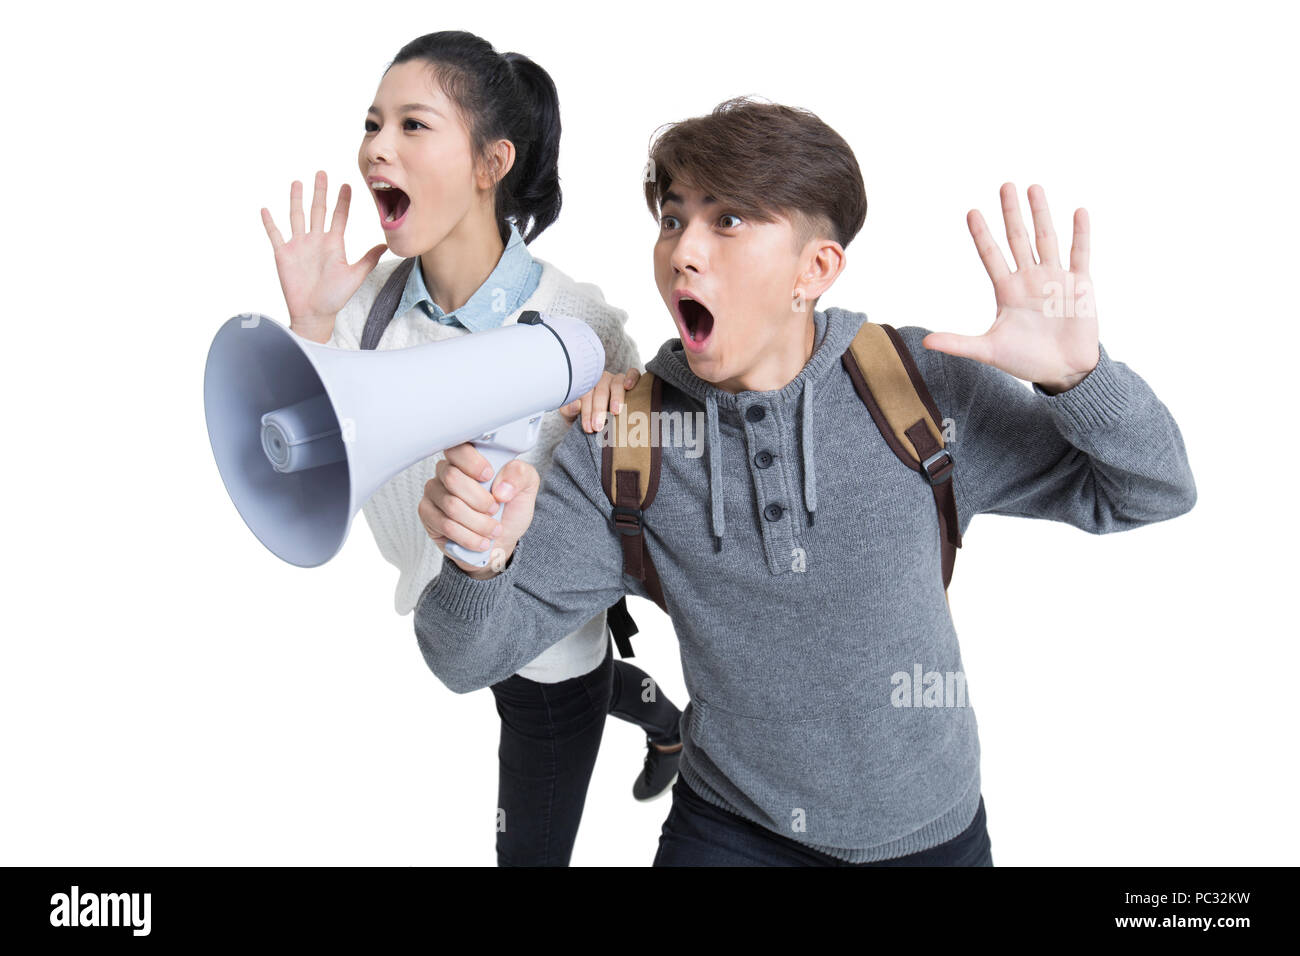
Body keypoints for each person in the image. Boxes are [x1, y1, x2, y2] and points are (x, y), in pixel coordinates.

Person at [410, 97, 1197, 865]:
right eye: (674, 217)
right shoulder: (625, 439)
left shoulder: (921, 385)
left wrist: (1079, 379)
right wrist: (480, 559)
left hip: (933, 834)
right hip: (729, 829)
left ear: (814, 269)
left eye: (731, 220)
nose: (683, 249)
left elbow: (1152, 490)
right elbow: (464, 659)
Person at [259, 30, 682, 867]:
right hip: (442, 608)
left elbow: (654, 481)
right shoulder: (358, 307)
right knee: (498, 669)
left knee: (531, 823)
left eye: (413, 126)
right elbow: (287, 465)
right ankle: (662, 715)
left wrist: (625, 415)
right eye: (372, 123)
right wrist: (308, 328)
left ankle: (663, 725)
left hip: (547, 652)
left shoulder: (580, 327)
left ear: (492, 164)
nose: (376, 146)